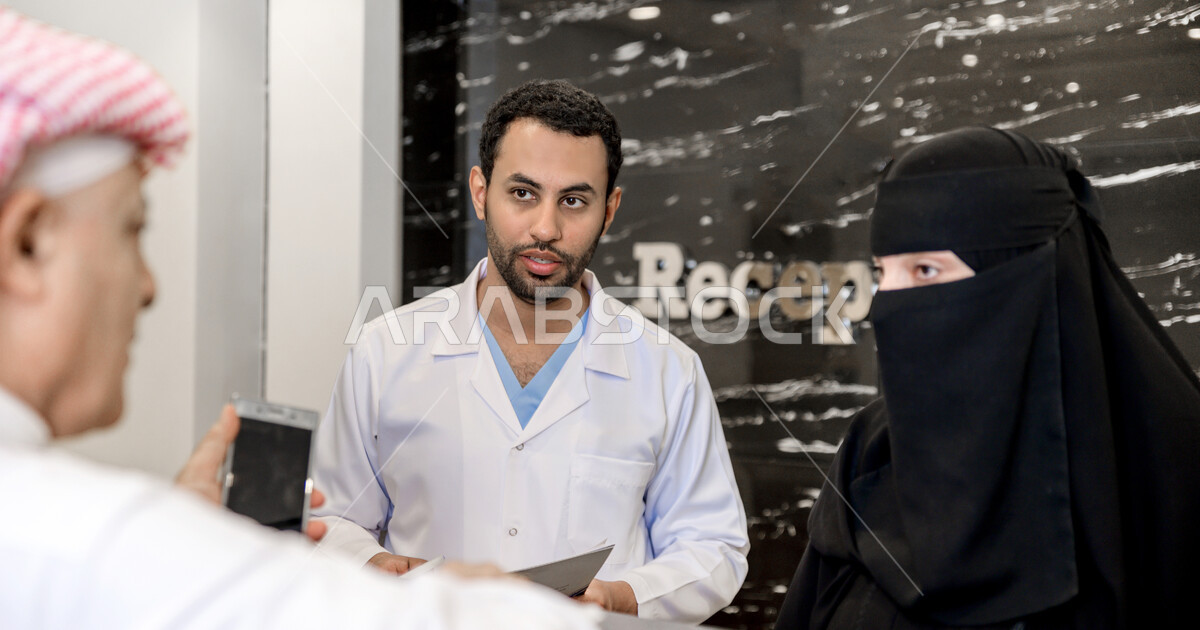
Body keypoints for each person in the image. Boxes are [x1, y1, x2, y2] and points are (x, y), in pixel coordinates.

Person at [0, 9, 601, 629]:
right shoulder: (89, 545)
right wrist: (189, 549)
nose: (149, 286)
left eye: (573, 200)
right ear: (25, 243)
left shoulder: (104, 545)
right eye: (132, 230)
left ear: (608, 209)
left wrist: (189, 538)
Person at [312, 79, 750, 623]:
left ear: (610, 209)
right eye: (523, 193)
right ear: (480, 192)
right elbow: (331, 517)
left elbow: (712, 546)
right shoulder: (384, 353)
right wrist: (375, 564)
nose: (546, 228)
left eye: (574, 201)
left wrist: (622, 596)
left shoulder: (667, 371)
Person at [774, 126, 1200, 629]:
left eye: (926, 271)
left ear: (1022, 274)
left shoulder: (1169, 474)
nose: (888, 305)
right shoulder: (875, 447)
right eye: (883, 273)